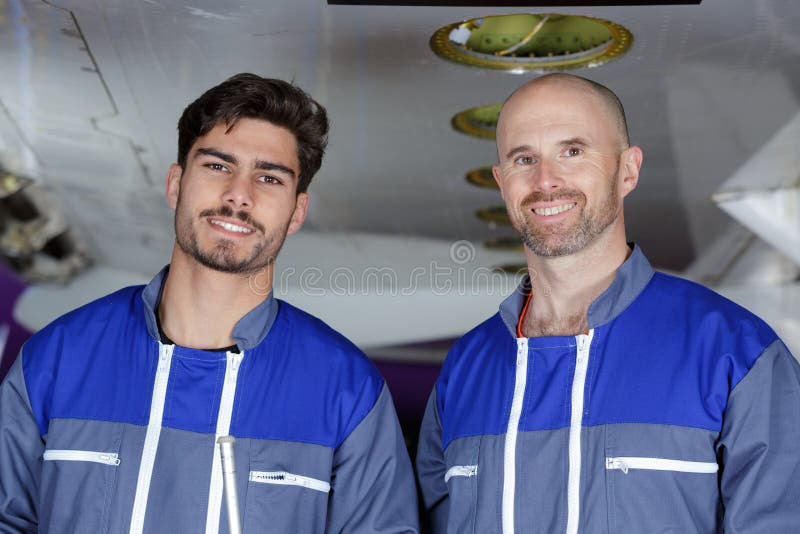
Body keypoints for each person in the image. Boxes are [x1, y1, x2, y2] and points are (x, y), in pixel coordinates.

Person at [0, 73, 419, 533]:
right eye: (218, 166)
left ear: (297, 211)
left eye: (269, 177)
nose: (240, 195)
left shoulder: (347, 390)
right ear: (176, 184)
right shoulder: (57, 358)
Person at [416, 73, 800, 533]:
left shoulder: (739, 354)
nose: (546, 181)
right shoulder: (464, 369)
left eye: (573, 151)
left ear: (628, 170)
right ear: (502, 182)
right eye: (524, 159)